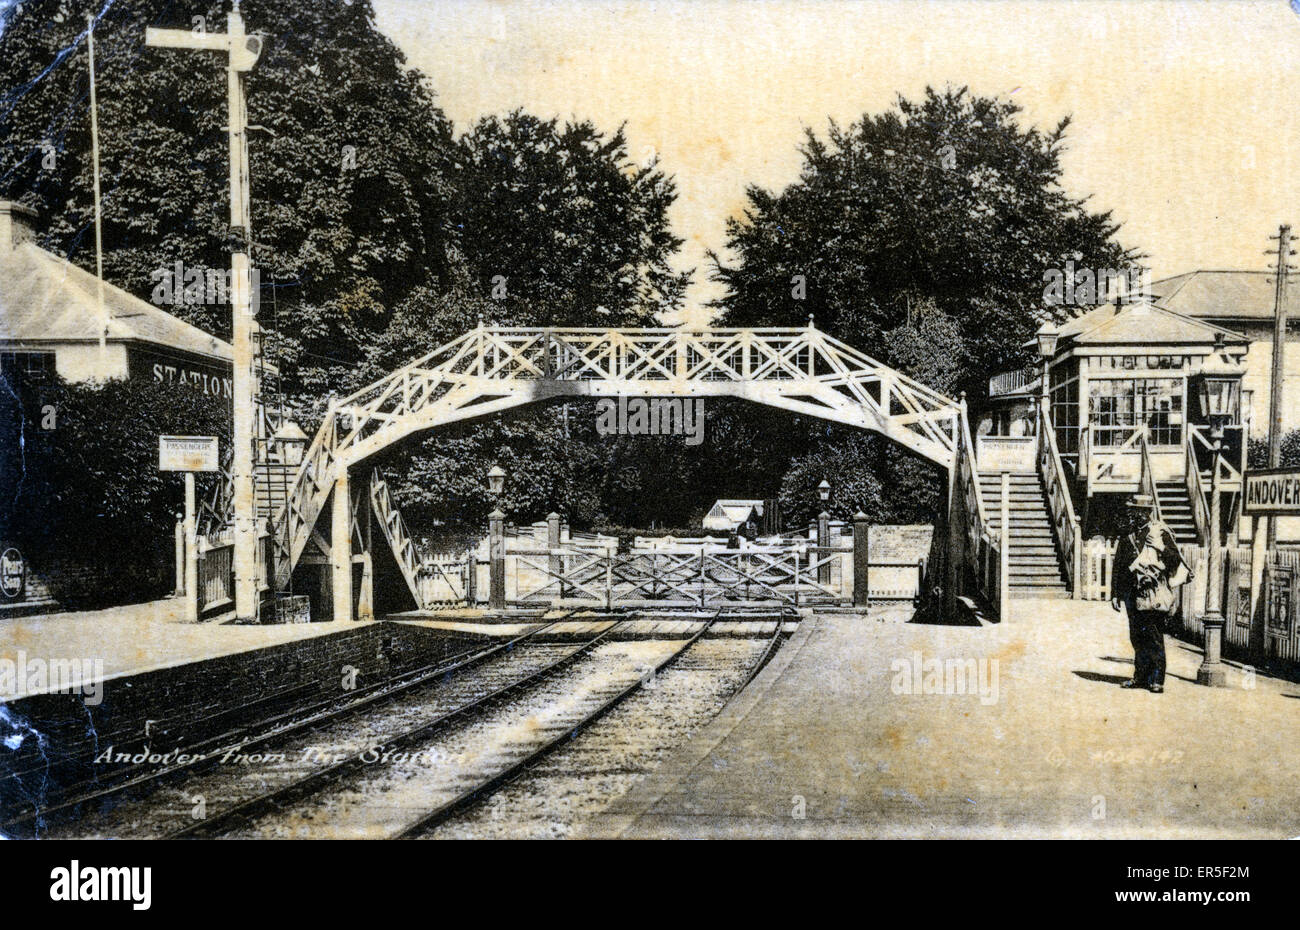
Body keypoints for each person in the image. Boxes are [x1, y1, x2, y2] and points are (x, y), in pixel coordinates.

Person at [1110, 494, 1190, 694]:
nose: (1133, 513)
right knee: (1137, 636)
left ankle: (1156, 679)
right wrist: (1115, 593)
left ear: (1146, 512)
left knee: (1153, 636)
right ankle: (1140, 677)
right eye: (1132, 509)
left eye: (1137, 510)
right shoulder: (1127, 533)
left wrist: (1160, 547)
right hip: (1131, 593)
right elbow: (1119, 564)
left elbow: (1175, 561)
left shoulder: (1159, 532)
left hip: (1152, 592)